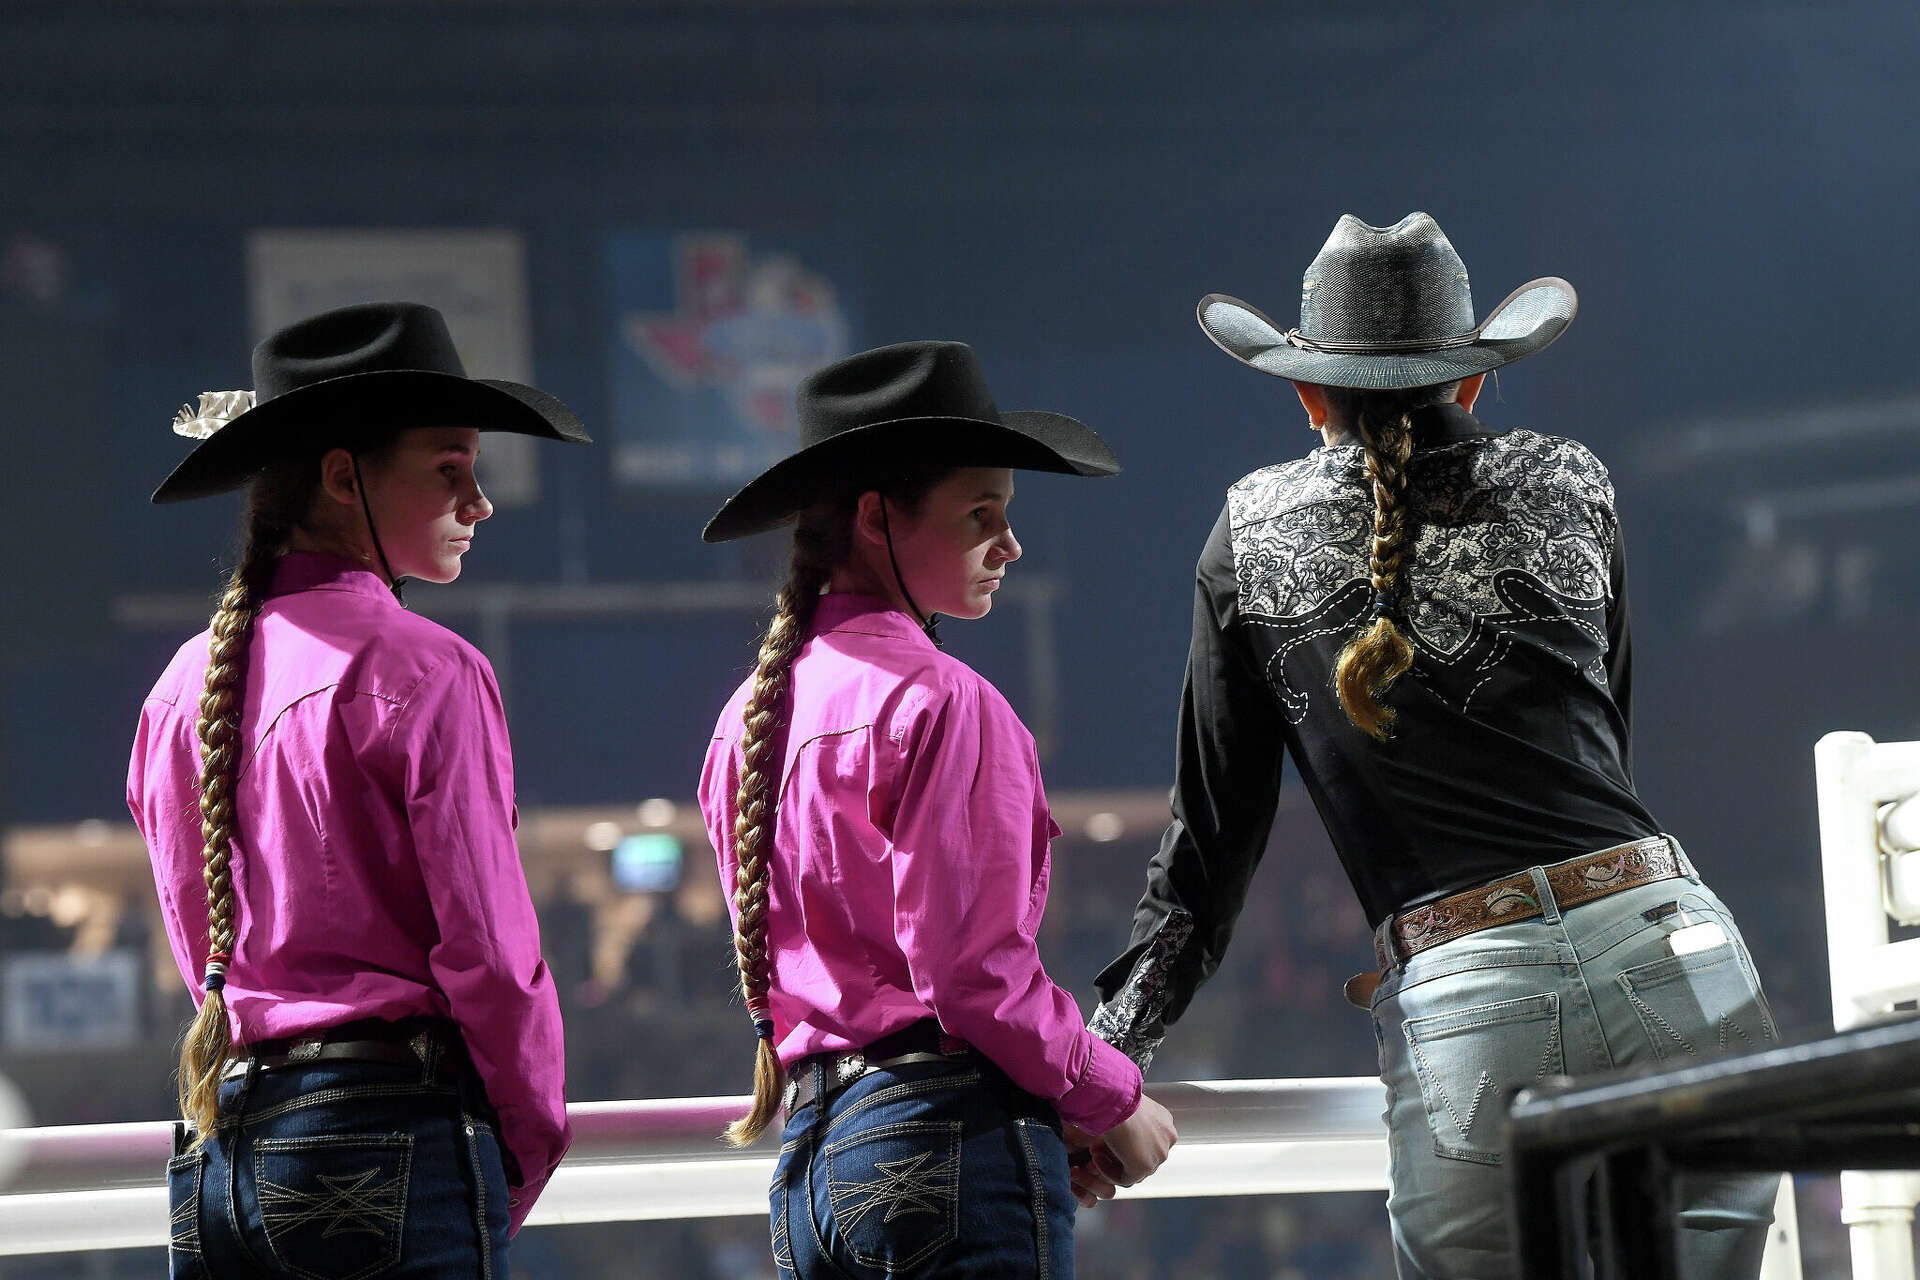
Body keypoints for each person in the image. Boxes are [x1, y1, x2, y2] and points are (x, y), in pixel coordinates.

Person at [1084, 214, 1780, 1278]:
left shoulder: (1252, 532)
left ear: (1309, 392)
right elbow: (1610, 735)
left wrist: (1107, 1057)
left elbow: (1213, 843)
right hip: (1672, 935)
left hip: (1470, 989)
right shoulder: (1572, 480)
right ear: (1473, 381)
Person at [698, 340, 1178, 1279]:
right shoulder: (946, 700)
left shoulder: (742, 724)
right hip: (945, 1138)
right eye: (981, 515)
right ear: (878, 518)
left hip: (811, 1171)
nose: (1012, 545)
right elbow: (972, 975)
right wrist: (1108, 1097)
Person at [129, 302, 589, 1278]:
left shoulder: (179, 684)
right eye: (450, 467)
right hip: (390, 1138)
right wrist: (527, 1135)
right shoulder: (428, 669)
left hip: (222, 1149)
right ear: (344, 476)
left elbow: (195, 934)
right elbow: (493, 960)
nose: (481, 502)